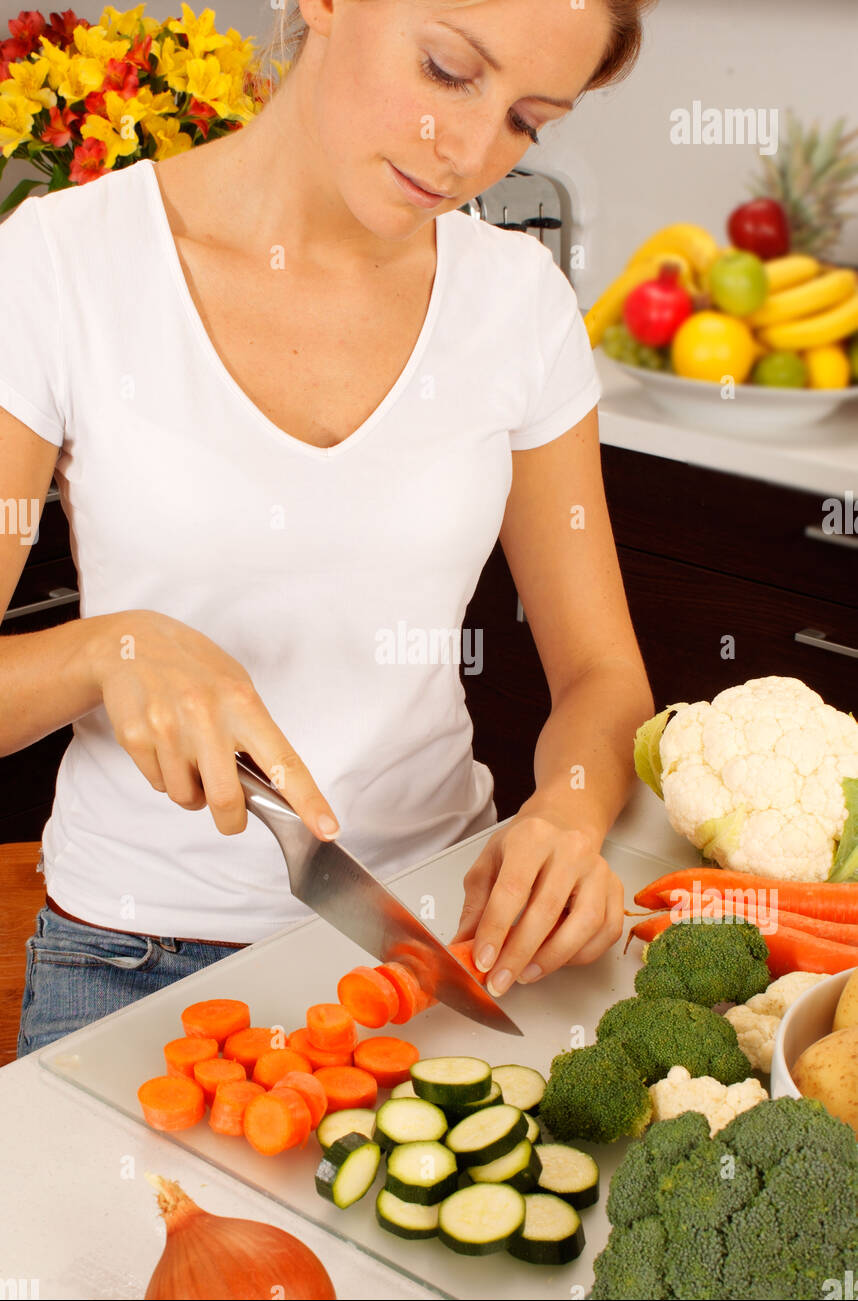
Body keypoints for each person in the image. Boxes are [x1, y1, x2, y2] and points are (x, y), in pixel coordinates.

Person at [2, 0, 655, 1057]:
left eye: (528, 120)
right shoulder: (61, 267)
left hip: (443, 936)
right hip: (133, 958)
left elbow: (602, 677)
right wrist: (107, 648)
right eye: (448, 70)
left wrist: (567, 817)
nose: (471, 152)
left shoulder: (518, 303)